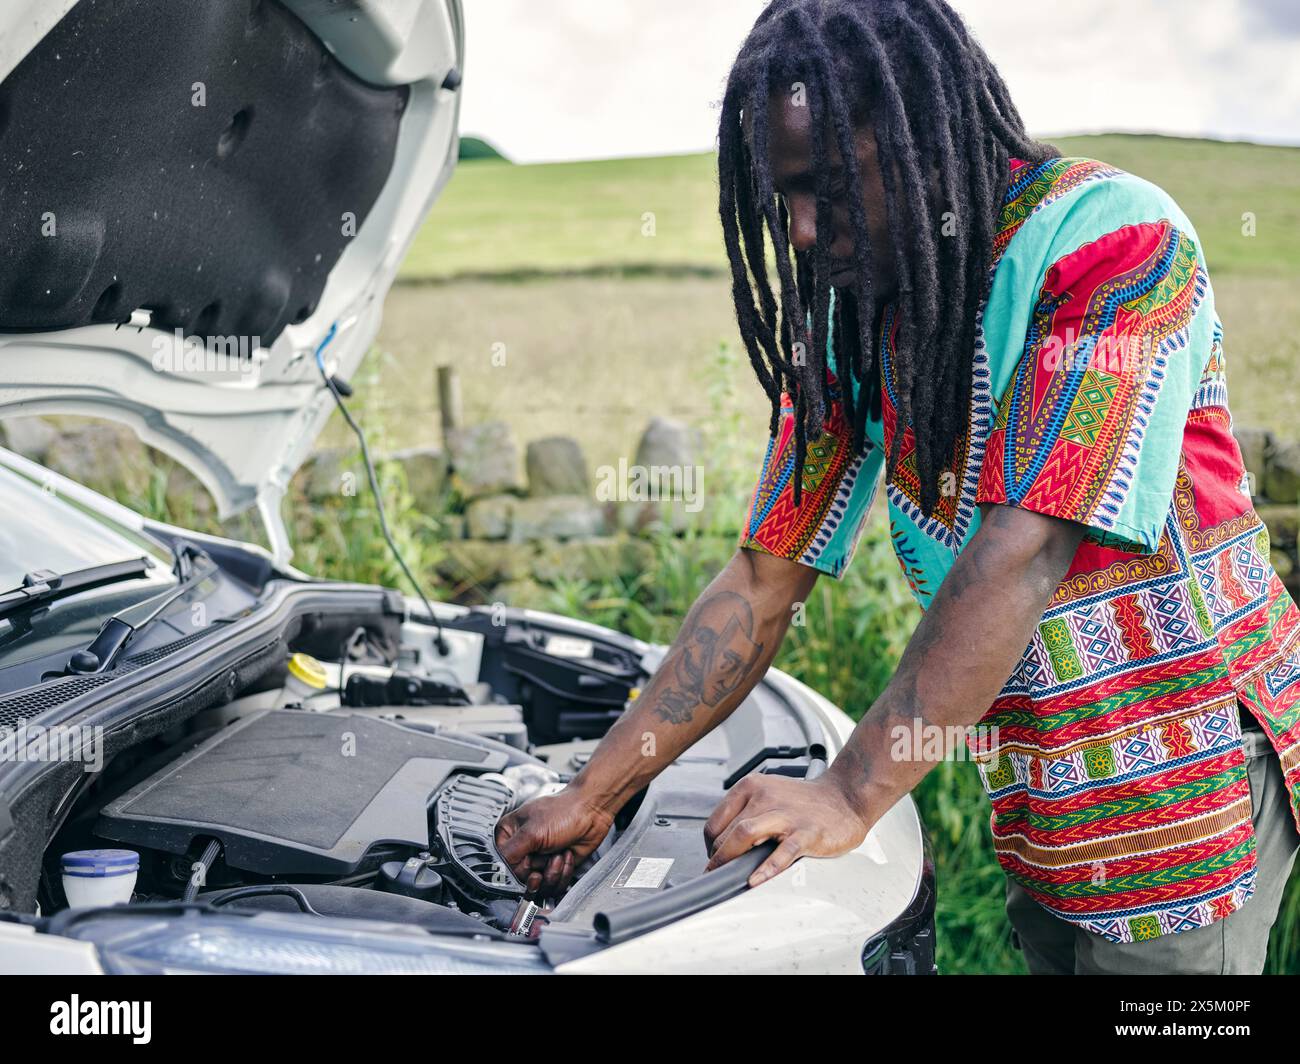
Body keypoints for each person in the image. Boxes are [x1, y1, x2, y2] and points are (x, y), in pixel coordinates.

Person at [495, 0, 1300, 974]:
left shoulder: (1114, 245)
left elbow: (1024, 547)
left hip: (1186, 788)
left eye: (822, 187)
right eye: (778, 196)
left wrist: (846, 792)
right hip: (1046, 791)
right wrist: (595, 790)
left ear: (917, 137)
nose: (796, 231)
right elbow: (763, 576)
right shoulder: (859, 312)